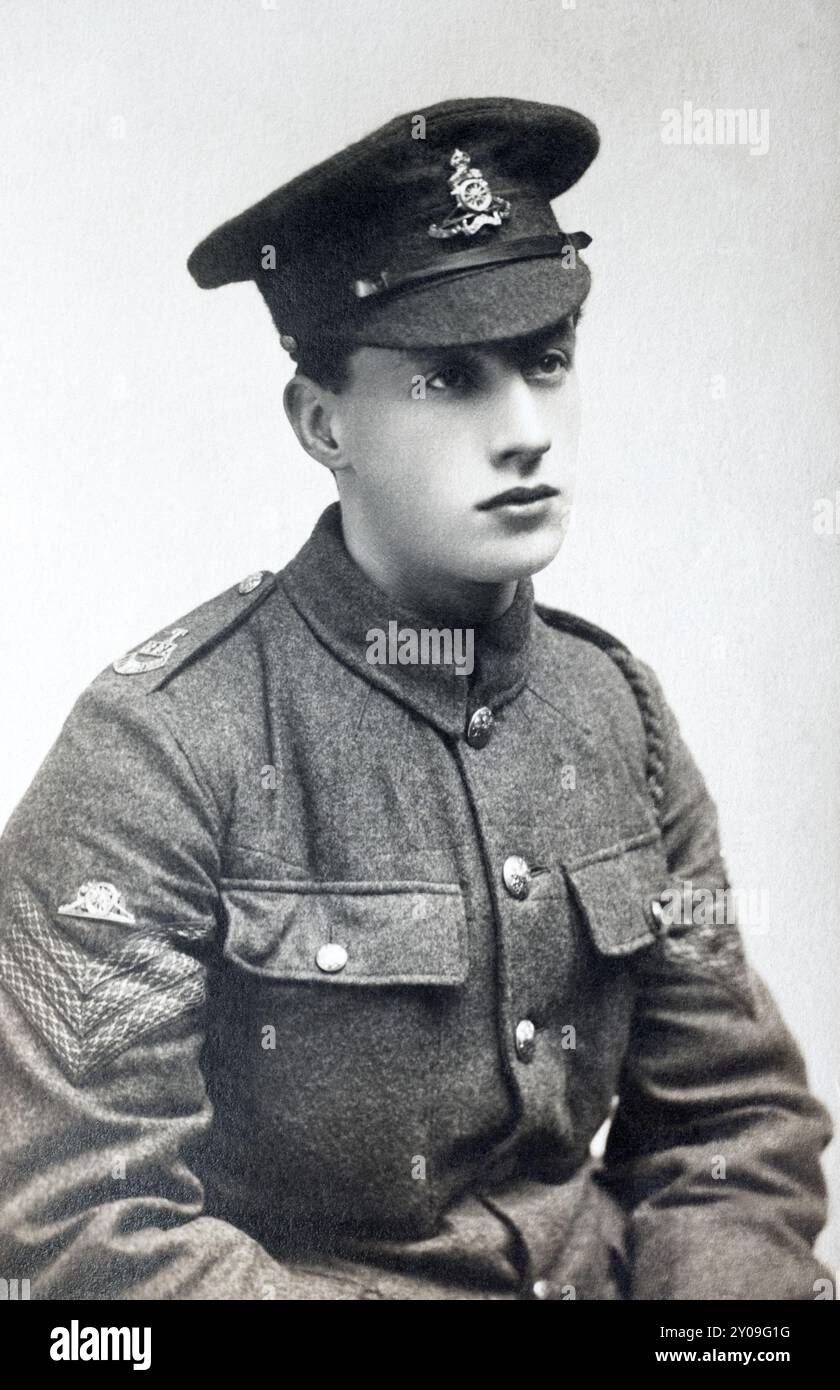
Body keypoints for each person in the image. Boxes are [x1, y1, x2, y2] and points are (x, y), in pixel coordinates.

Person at [0, 96, 832, 1301]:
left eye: (547, 362)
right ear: (322, 421)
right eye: (450, 378)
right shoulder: (163, 746)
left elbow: (733, 1127)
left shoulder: (620, 717)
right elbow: (80, 1222)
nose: (526, 432)